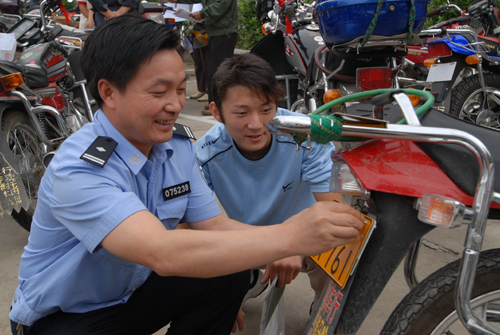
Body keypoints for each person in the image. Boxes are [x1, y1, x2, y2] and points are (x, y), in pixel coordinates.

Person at [9, 15, 365, 335]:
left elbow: (218, 229)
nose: (176, 104)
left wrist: (276, 247)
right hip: (67, 318)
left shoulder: (175, 147)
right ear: (108, 92)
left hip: (132, 298)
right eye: (158, 91)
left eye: (180, 89)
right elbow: (163, 252)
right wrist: (291, 236)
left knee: (231, 274)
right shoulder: (81, 167)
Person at [195, 53, 343, 312]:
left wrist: (291, 242)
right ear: (216, 112)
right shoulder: (203, 154)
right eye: (241, 112)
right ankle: (247, 281)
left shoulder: (304, 135)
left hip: (306, 239)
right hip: (246, 242)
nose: (256, 125)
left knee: (342, 235)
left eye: (266, 110)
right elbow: (197, 227)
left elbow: (334, 207)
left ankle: (326, 310)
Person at [169, 0, 238, 115]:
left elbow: (220, 5)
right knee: (211, 68)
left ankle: (219, 105)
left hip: (223, 32)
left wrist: (202, 13)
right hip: (215, 32)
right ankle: (215, 103)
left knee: (218, 70)